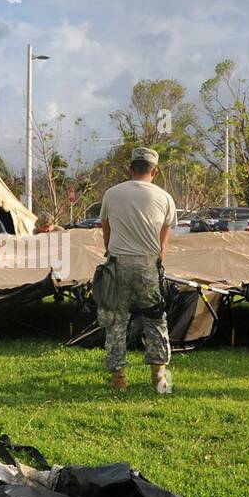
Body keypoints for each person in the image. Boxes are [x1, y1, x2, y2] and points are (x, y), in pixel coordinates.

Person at [97, 147, 176, 391]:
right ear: (155, 171)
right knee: (155, 320)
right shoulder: (164, 198)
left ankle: (119, 380)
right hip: (148, 267)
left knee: (116, 321)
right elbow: (164, 240)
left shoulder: (112, 194)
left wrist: (111, 251)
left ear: (130, 169)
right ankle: (160, 379)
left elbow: (106, 229)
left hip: (118, 267)